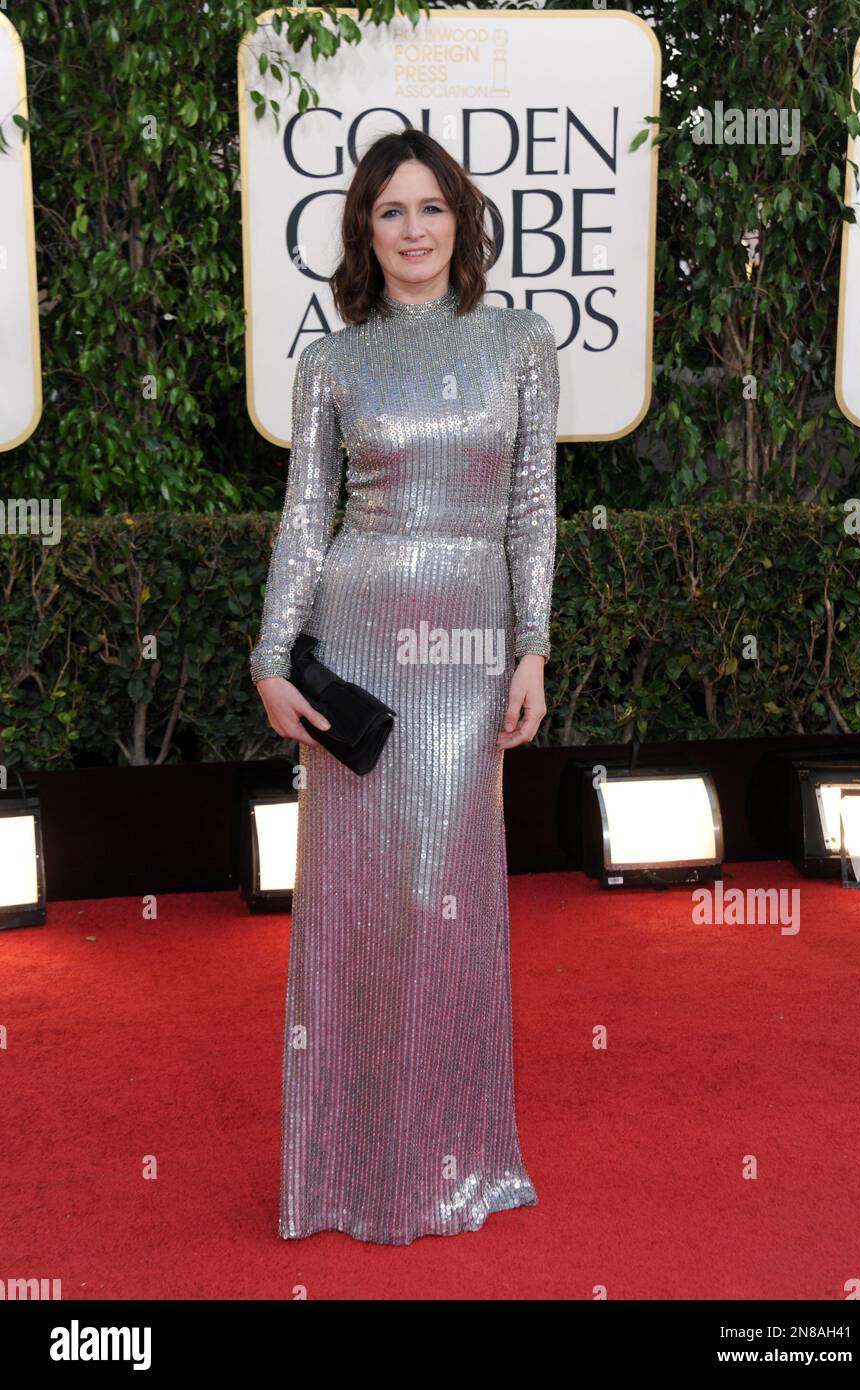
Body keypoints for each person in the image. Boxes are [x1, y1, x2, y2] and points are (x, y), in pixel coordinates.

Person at [250, 128, 559, 1244]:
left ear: (462, 221)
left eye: (432, 208)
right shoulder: (332, 361)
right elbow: (301, 520)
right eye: (391, 211)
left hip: (469, 645)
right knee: (356, 900)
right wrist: (271, 658)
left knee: (449, 884)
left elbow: (531, 510)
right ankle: (341, 1166)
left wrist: (531, 647)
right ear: (363, 232)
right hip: (362, 633)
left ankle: (452, 1157)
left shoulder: (520, 342)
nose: (415, 229)